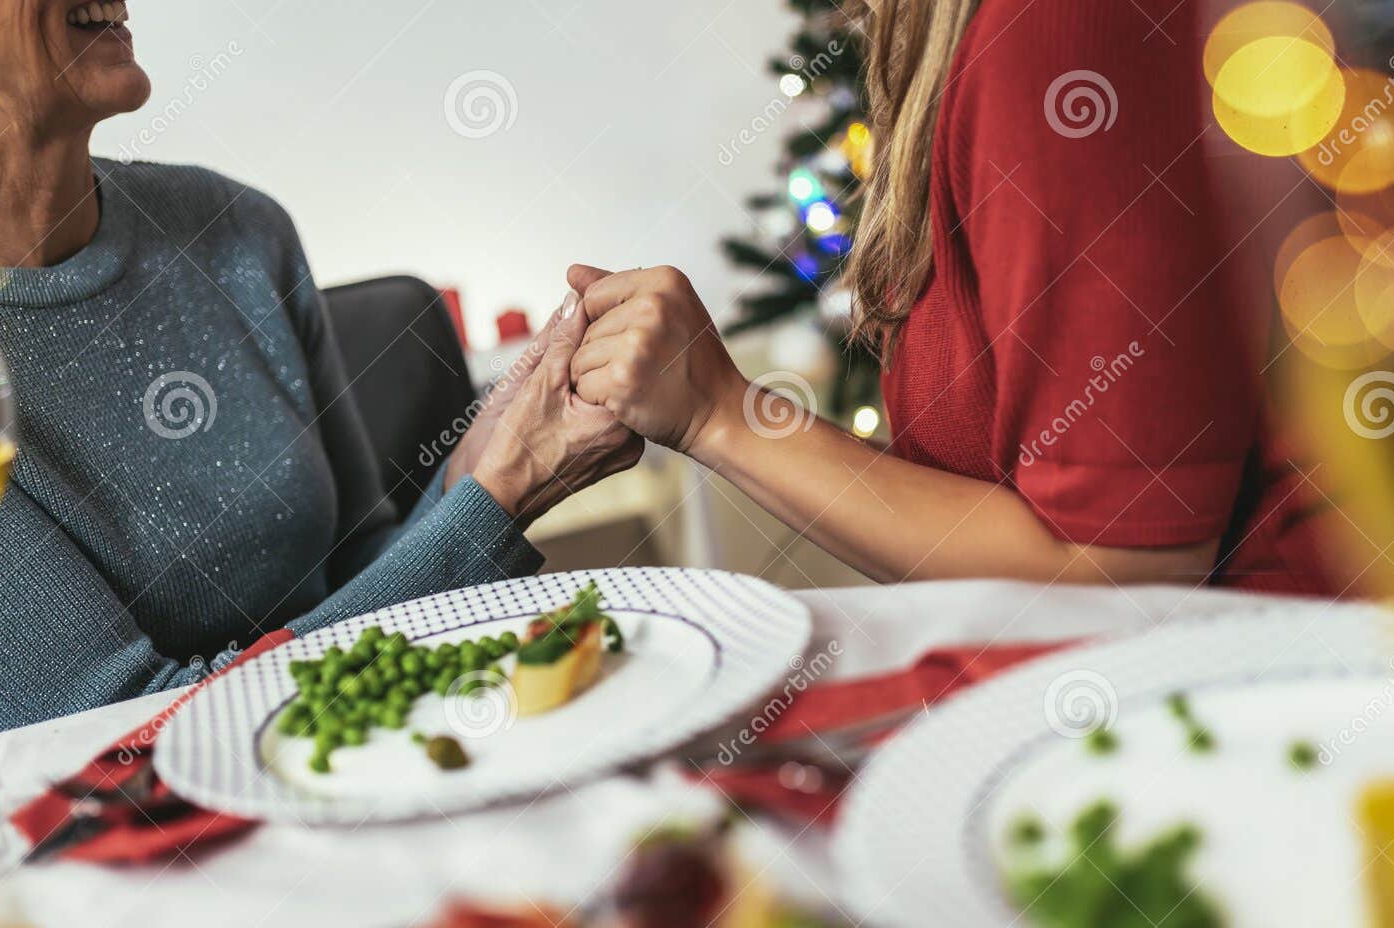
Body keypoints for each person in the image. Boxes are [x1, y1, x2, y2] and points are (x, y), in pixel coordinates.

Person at [0, 0, 640, 752]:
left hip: (349, 769)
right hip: (85, 867)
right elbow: (123, 739)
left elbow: (362, 563)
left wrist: (476, 470)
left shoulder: (237, 229)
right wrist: (492, 501)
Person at [567, 0, 1336, 594]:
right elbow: (1009, 502)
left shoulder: (1048, 37)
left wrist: (719, 413)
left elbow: (1125, 569)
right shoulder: (973, 46)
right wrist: (721, 414)